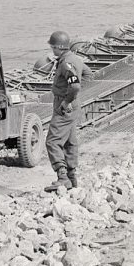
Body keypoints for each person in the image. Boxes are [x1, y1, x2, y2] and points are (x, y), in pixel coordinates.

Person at [45, 31, 93, 189]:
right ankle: (72, 178)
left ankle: (63, 177)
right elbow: (88, 75)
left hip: (64, 106)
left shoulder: (66, 63)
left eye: (53, 47)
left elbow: (75, 85)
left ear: (59, 47)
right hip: (73, 105)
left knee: (53, 141)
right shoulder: (75, 59)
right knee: (70, 141)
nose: (52, 50)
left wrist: (67, 100)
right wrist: (74, 96)